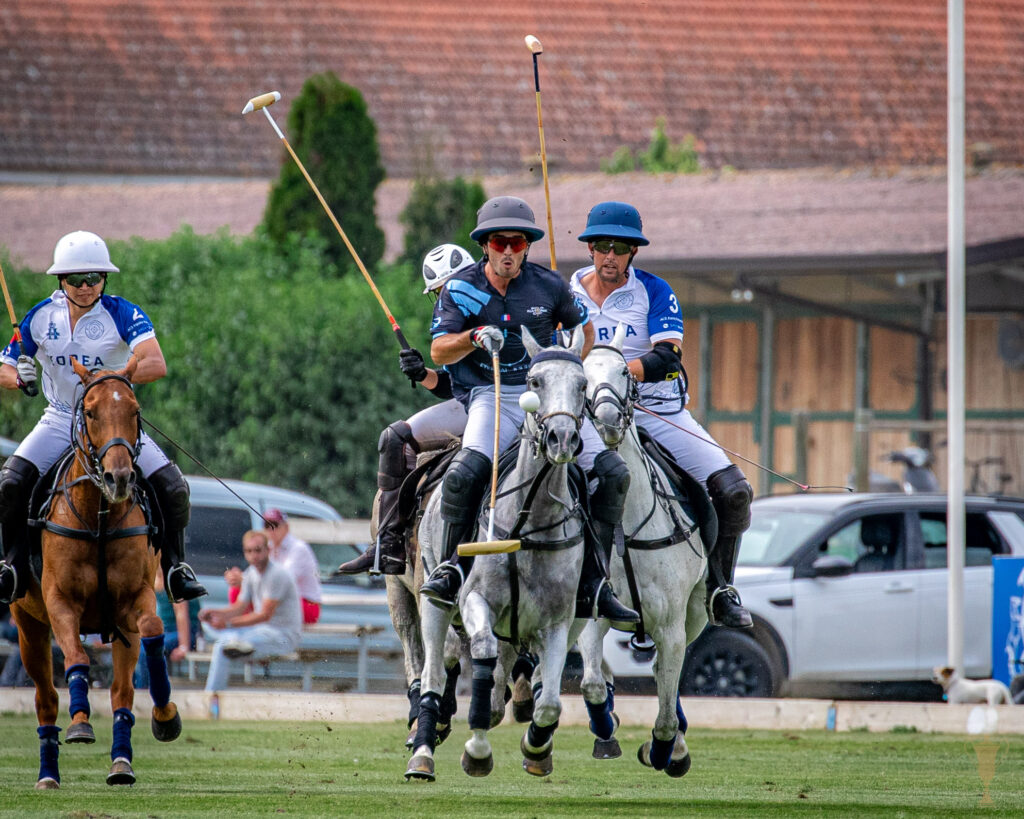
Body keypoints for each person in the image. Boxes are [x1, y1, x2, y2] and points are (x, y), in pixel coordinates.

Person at [418, 196, 638, 625]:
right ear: (485, 244)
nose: (508, 251)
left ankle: (595, 583)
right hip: (491, 393)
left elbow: (584, 331)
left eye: (516, 243)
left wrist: (567, 367)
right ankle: (449, 570)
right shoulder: (460, 287)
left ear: (526, 247)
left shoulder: (549, 286)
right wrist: (476, 335)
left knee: (613, 474)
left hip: (545, 394)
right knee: (463, 476)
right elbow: (439, 350)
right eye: (499, 242)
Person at [569, 201, 754, 628]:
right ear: (590, 249)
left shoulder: (654, 290)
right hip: (586, 415)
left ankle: (720, 586)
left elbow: (667, 358)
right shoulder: (567, 294)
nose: (609, 255)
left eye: (620, 247)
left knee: (735, 492)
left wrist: (613, 373)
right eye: (601, 246)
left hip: (654, 410)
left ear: (633, 251)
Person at [0, 230, 205, 605]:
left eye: (93, 278)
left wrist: (108, 380)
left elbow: (156, 364)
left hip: (113, 421)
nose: (85, 286)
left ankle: (175, 568)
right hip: (61, 418)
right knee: (11, 484)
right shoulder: (40, 317)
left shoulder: (123, 313)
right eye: (76, 279)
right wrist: (19, 377)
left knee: (174, 489)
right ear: (61, 280)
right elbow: (5, 367)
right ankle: (11, 566)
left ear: (104, 279)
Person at [336, 243, 475, 576]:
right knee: (395, 438)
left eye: (451, 287)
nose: (446, 295)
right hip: (468, 403)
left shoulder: (491, 305)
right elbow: (452, 386)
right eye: (440, 291)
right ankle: (388, 545)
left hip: (504, 403)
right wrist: (422, 374)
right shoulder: (448, 320)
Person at [198, 529, 302, 692]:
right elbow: (239, 608)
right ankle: (213, 696)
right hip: (260, 632)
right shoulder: (251, 573)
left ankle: (212, 696)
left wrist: (227, 624)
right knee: (217, 638)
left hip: (282, 636)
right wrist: (214, 613)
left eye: (258, 550)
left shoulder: (277, 574)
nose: (254, 555)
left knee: (224, 643)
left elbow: (264, 615)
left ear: (267, 550)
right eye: (249, 551)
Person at [133, 570, 199, 688]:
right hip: (163, 631)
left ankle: (145, 695)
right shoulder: (151, 578)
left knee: (147, 651)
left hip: (183, 632)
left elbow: (181, 614)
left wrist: (184, 646)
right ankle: (132, 695)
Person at [261, 508, 323, 624]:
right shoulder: (269, 547)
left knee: (263, 607)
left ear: (286, 527)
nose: (271, 529)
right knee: (237, 590)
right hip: (285, 602)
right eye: (266, 525)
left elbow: (285, 580)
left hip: (307, 605)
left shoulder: (298, 548)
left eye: (274, 525)